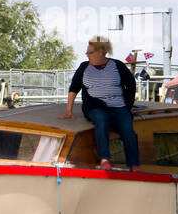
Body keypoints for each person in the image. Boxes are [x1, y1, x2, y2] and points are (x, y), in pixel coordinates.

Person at [60, 35, 141, 171]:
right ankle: (104, 159)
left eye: (90, 52)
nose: (87, 55)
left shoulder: (117, 65)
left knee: (128, 129)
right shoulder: (84, 67)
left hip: (119, 106)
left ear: (101, 52)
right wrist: (69, 110)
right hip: (94, 106)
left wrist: (127, 106)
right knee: (102, 121)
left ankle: (134, 164)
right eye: (87, 53)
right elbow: (74, 88)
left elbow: (131, 85)